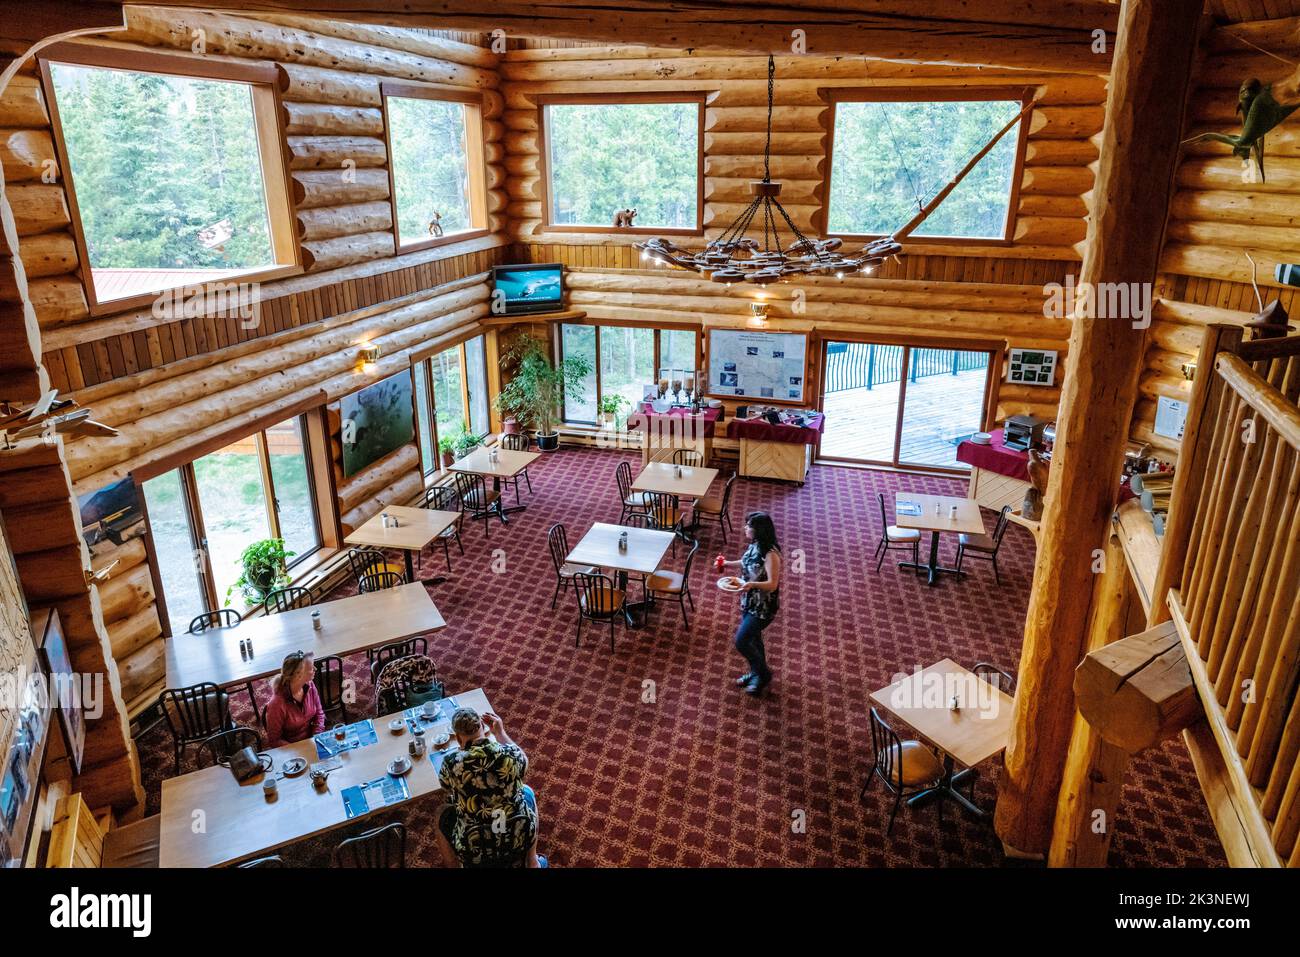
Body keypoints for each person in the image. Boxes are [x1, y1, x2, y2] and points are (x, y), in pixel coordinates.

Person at [435, 707, 547, 868]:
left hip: (473, 846)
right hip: (516, 834)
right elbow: (524, 761)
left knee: (441, 812)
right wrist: (500, 733)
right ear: (483, 726)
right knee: (527, 791)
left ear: (459, 739)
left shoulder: (452, 763)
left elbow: (445, 786)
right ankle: (532, 862)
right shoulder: (509, 754)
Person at [720, 511, 782, 696]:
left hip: (763, 606)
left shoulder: (771, 555)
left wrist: (751, 584)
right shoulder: (755, 545)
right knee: (754, 639)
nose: (745, 528)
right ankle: (757, 673)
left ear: (758, 530)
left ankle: (763, 673)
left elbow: (772, 584)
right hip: (749, 601)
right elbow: (746, 561)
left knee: (741, 641)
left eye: (748, 526)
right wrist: (727, 563)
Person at [263, 650, 325, 748]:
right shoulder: (277, 704)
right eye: (311, 668)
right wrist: (298, 750)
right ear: (298, 675)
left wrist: (315, 737)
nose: (315, 669)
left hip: (312, 740)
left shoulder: (310, 685)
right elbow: (274, 740)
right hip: (292, 749)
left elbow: (319, 714)